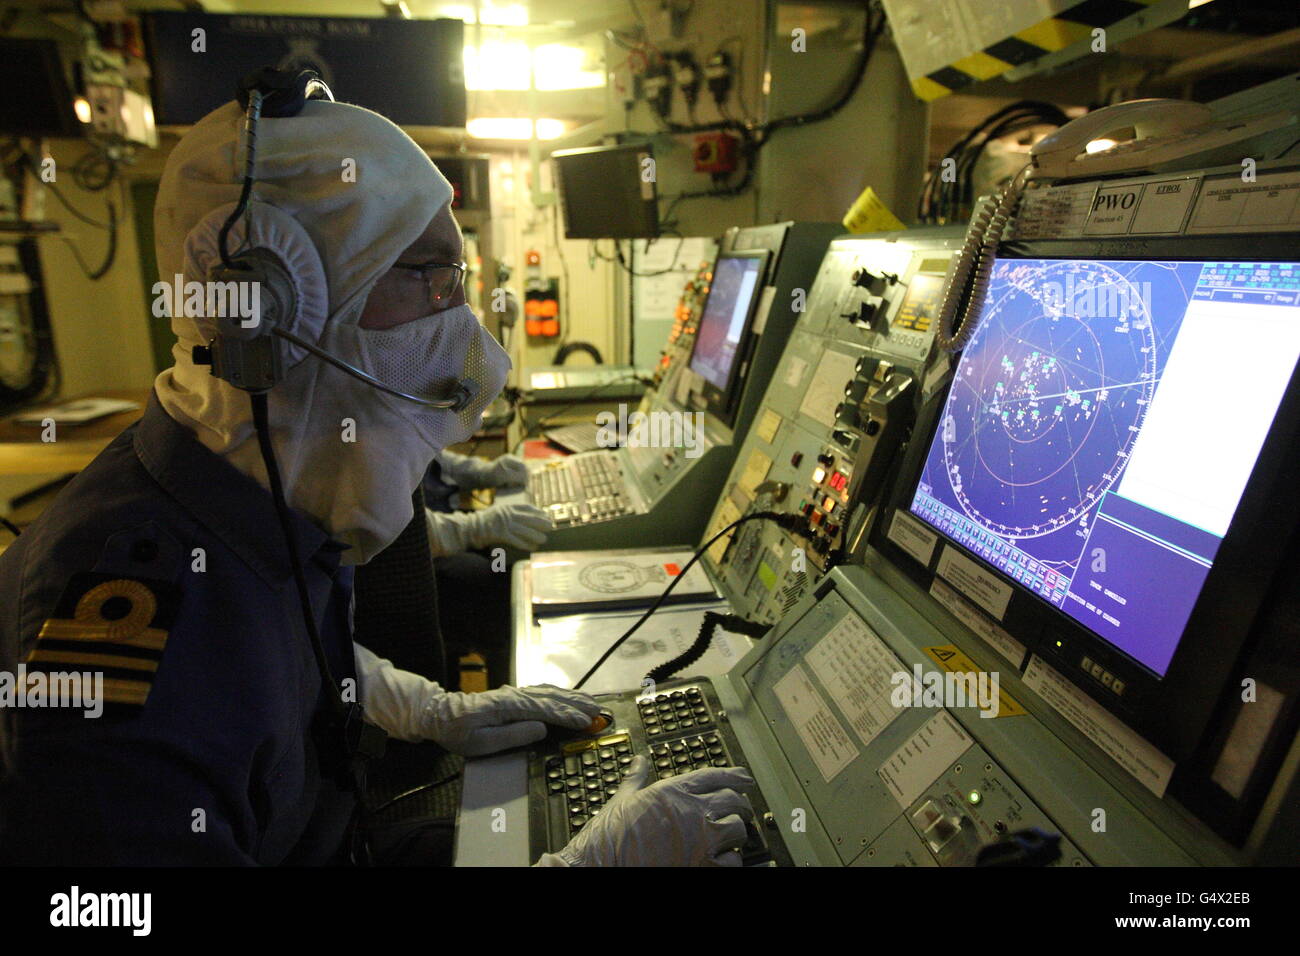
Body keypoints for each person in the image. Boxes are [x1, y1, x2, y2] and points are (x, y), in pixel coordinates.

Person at [0, 89, 753, 866]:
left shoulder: (239, 494)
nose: (464, 339)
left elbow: (284, 655)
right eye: (430, 280)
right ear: (266, 308)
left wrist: (433, 711)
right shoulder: (121, 663)